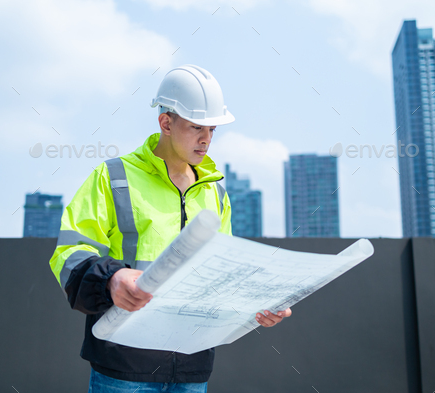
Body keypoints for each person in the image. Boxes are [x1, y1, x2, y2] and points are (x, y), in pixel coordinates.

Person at [48, 64, 292, 393]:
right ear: (166, 122)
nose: (206, 139)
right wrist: (112, 278)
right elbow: (69, 254)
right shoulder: (114, 177)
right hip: (124, 367)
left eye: (212, 130)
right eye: (196, 127)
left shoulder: (215, 192)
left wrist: (255, 305)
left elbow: (222, 275)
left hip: (192, 369)